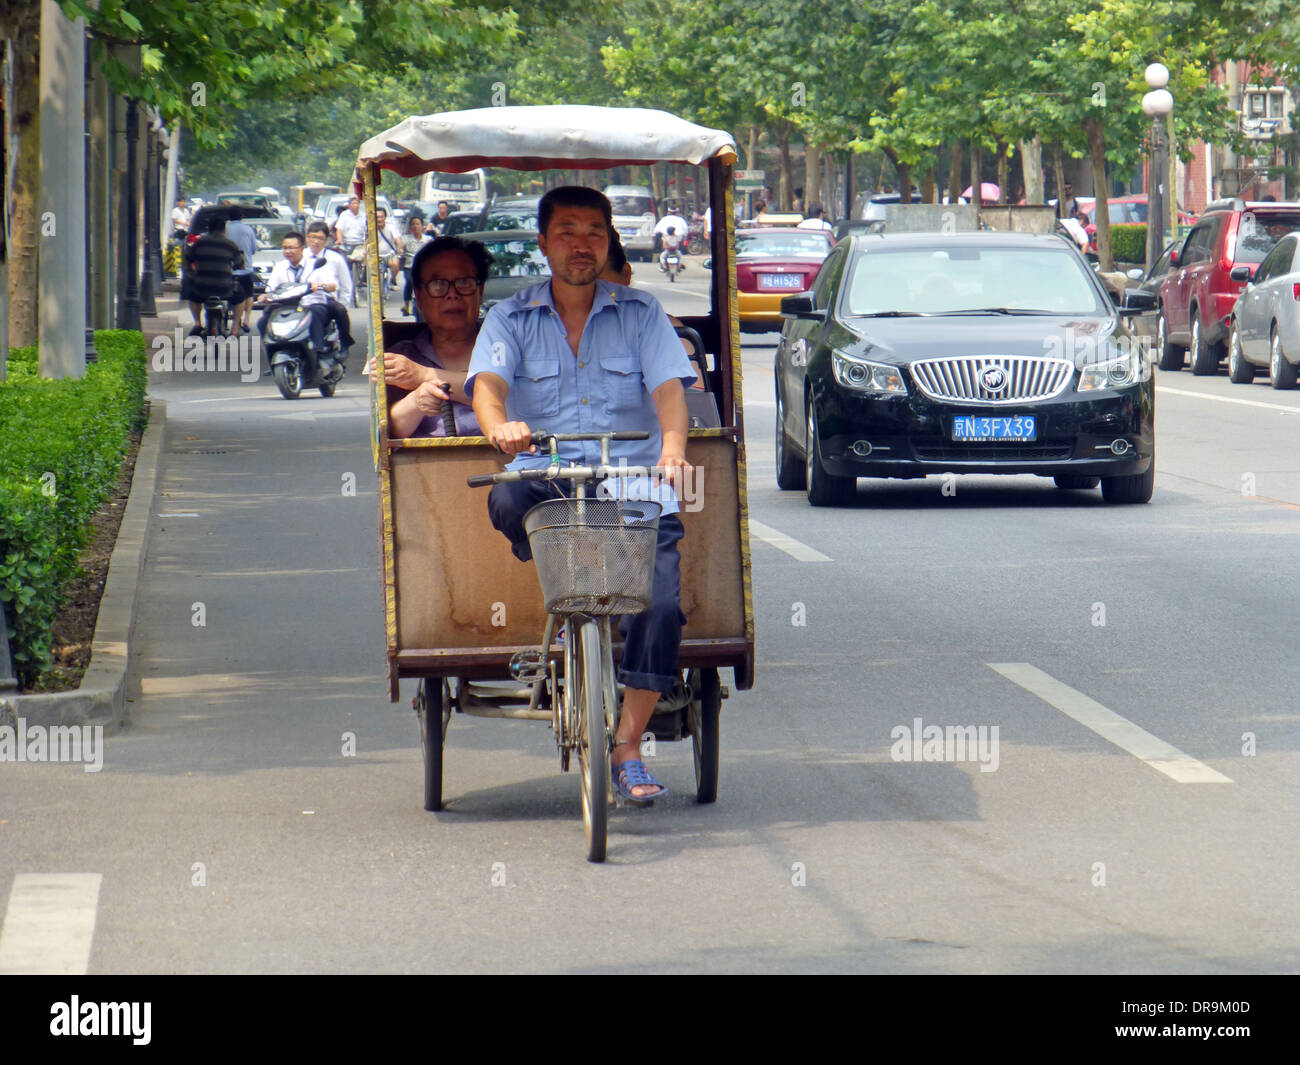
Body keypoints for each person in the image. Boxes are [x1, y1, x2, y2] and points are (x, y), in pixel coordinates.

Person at [466, 186, 695, 802]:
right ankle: (570, 601)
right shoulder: (510, 317)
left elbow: (671, 390)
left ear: (608, 242)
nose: (581, 244)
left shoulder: (640, 312)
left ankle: (627, 745)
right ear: (543, 243)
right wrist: (500, 428)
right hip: (551, 482)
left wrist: (672, 448)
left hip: (634, 488)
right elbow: (487, 387)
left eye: (594, 232)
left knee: (663, 607)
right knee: (508, 499)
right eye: (566, 231)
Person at [382, 237, 490, 438]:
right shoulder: (401, 357)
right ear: (420, 296)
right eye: (438, 285)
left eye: (464, 283)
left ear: (480, 292)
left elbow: (518, 401)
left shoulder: (506, 347)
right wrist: (415, 402)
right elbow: (386, 434)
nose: (452, 294)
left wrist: (421, 375)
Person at [259, 231, 340, 371]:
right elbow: (271, 289)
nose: (287, 251)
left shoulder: (316, 265)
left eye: (291, 248)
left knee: (314, 314)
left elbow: (332, 285)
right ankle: (273, 354)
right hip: (287, 307)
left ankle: (319, 353)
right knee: (263, 322)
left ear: (302, 248)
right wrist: (264, 297)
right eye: (284, 248)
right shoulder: (280, 267)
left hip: (312, 304)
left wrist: (321, 286)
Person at [182, 215, 242, 334]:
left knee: (192, 296)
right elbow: (240, 263)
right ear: (224, 230)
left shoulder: (199, 243)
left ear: (208, 229)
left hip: (202, 287)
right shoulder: (231, 245)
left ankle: (198, 323)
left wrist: (191, 270)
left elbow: (188, 259)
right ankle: (235, 328)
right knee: (240, 296)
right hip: (225, 288)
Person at [304, 221, 357, 354]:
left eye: (320, 238)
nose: (315, 241)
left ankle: (344, 342)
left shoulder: (335, 258)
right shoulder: (301, 256)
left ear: (326, 240)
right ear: (307, 238)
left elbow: (346, 285)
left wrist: (343, 303)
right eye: (312, 237)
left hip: (327, 300)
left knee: (339, 310)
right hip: (302, 300)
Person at [225, 215, 259, 332]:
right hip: (245, 270)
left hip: (229, 270)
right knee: (248, 295)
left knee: (231, 296)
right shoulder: (248, 229)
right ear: (241, 217)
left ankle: (234, 319)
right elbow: (254, 249)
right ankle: (247, 320)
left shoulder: (225, 229)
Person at [400, 214, 433, 317]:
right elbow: (400, 248)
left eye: (418, 224)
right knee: (410, 281)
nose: (415, 226)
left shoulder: (428, 240)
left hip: (424, 267)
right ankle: (406, 305)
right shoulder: (405, 239)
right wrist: (400, 250)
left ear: (422, 226)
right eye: (413, 224)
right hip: (409, 266)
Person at [375, 206, 404, 289]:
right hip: (376, 256)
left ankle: (393, 279)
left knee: (395, 264)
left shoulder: (391, 227)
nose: (379, 219)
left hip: (390, 254)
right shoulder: (371, 228)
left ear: (385, 217)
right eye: (377, 217)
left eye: (381, 217)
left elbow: (398, 239)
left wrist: (399, 248)